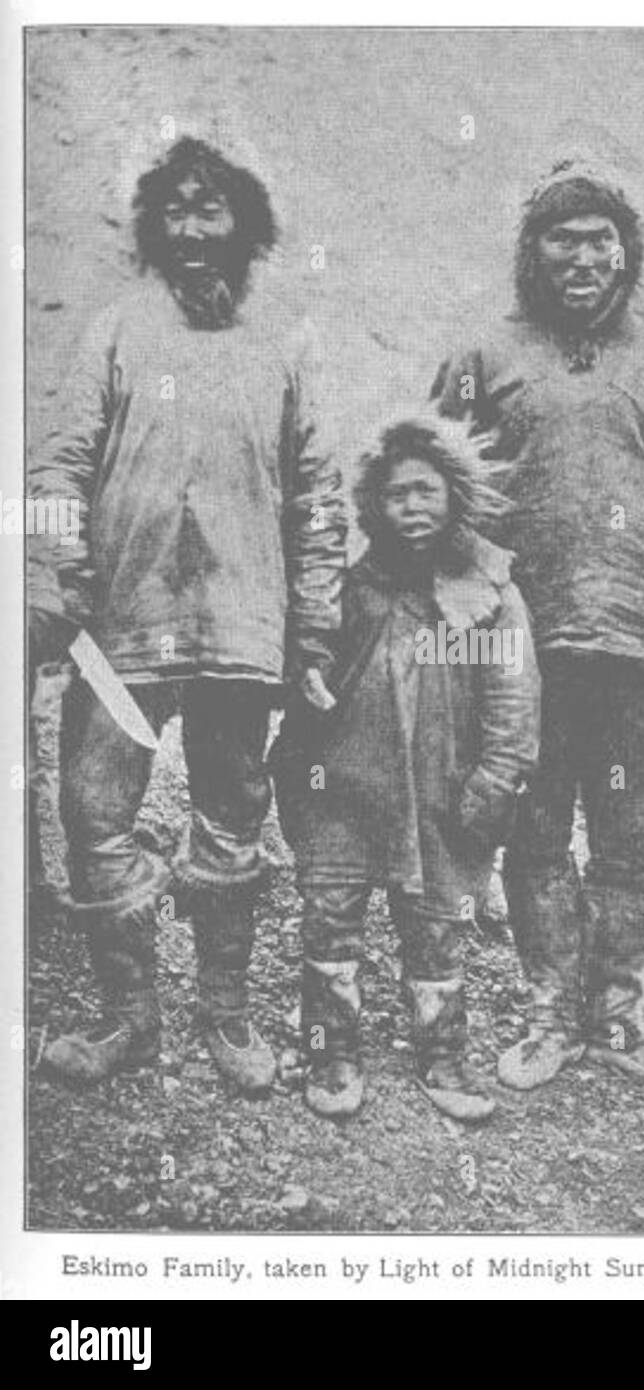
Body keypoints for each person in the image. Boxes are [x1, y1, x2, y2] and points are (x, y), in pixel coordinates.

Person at [28, 137, 346, 1091]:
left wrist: (316, 628)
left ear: (245, 225)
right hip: (121, 629)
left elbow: (317, 496)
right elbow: (59, 464)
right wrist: (60, 574)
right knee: (93, 810)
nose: (195, 230)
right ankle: (129, 1019)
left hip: (241, 630)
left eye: (214, 211)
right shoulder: (118, 328)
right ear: (153, 228)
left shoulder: (284, 341)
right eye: (177, 211)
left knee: (231, 817)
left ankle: (227, 1016)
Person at [433, 155, 644, 1097]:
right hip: (524, 647)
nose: (584, 255)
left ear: (627, 250)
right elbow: (440, 489)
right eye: (564, 236)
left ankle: (617, 1015)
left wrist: (610, 563)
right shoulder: (485, 354)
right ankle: (551, 1011)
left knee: (628, 839)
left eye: (602, 237)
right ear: (532, 251)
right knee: (537, 832)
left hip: (632, 644)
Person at [272, 414, 540, 1122]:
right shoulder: (351, 589)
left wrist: (490, 785)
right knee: (329, 918)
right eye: (396, 496)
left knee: (437, 924)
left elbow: (512, 704)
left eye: (427, 491)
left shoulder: (487, 594)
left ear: (454, 494)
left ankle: (442, 1053)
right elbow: (304, 681)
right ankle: (331, 1050)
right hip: (343, 790)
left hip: (441, 793)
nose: (413, 507)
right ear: (373, 506)